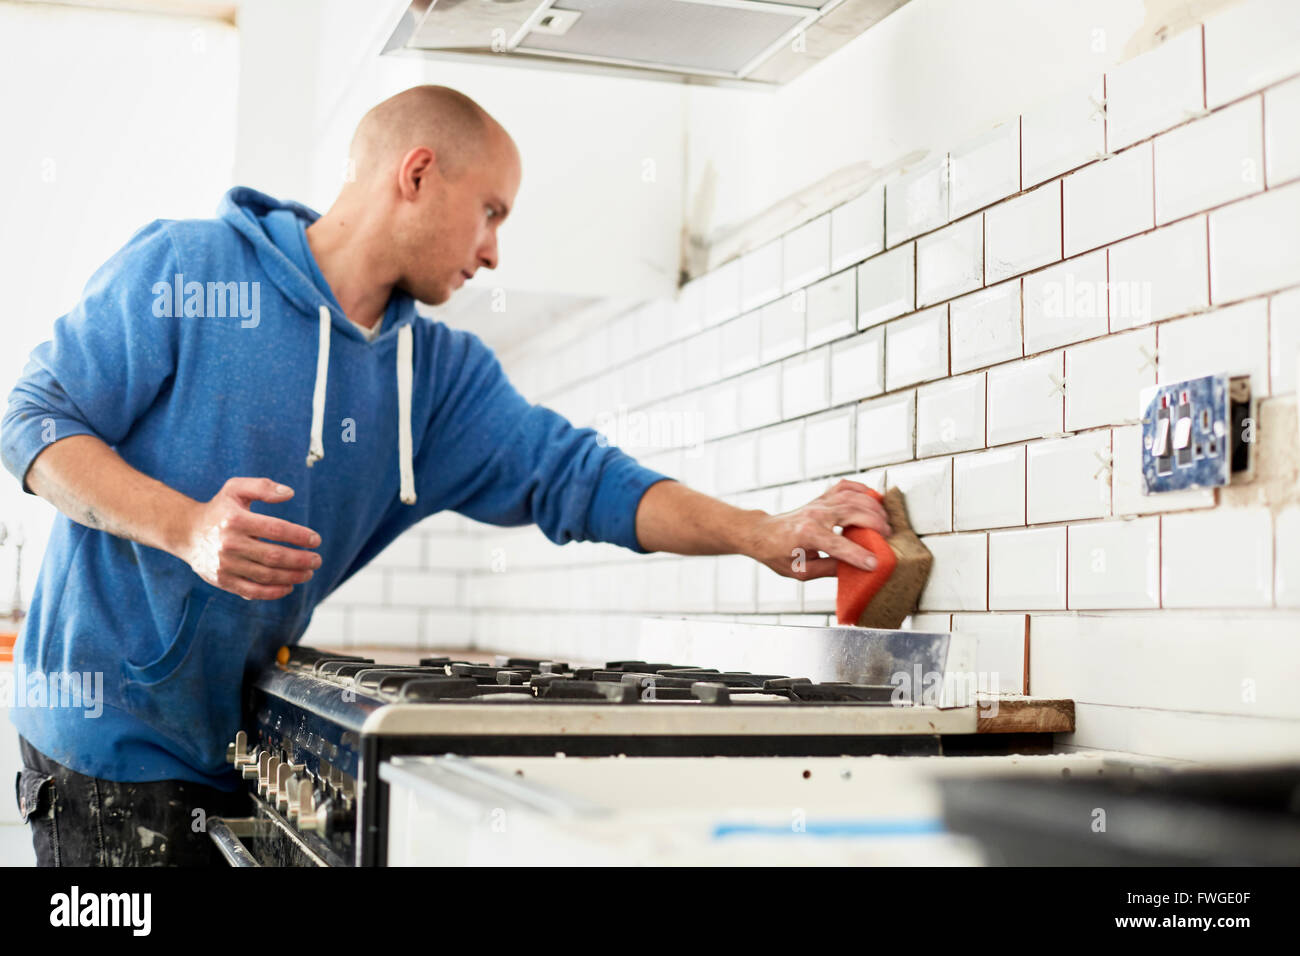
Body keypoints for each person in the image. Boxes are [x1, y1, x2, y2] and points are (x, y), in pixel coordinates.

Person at [1, 85, 890, 866]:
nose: (495, 251)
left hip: (234, 744)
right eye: (492, 211)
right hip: (105, 749)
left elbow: (578, 478)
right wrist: (186, 526)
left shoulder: (437, 379)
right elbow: (30, 423)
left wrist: (762, 535)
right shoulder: (188, 269)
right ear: (418, 174)